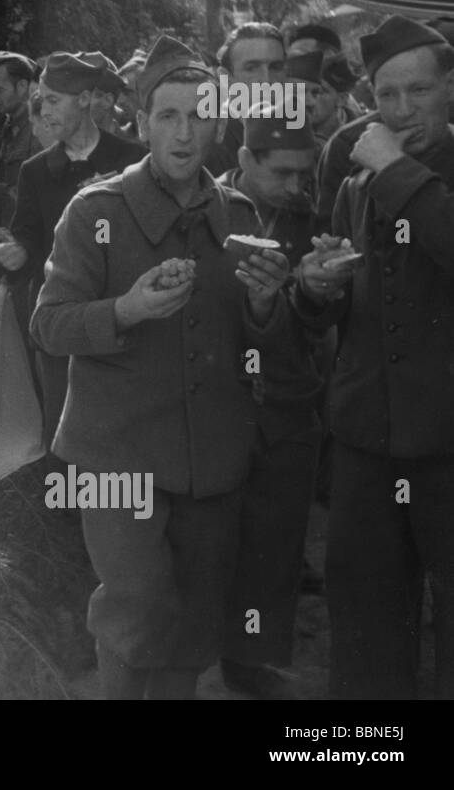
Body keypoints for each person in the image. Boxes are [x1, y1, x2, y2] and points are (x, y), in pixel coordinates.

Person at [31, 34, 293, 700]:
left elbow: (260, 341)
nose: (184, 133)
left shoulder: (238, 217)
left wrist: (269, 303)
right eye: (168, 116)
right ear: (142, 123)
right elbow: (49, 324)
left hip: (212, 460)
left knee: (197, 616)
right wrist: (125, 308)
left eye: (199, 115)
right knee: (135, 609)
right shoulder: (97, 212)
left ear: (219, 124)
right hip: (117, 456)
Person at [291, 16, 454, 699]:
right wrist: (314, 288)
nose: (401, 109)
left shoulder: (386, 167)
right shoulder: (355, 180)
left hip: (448, 444)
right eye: (387, 95)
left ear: (450, 90)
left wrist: (396, 168)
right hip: (365, 443)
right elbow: (341, 306)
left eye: (418, 91)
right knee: (362, 629)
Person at [215, 106, 324, 700]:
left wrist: (318, 286)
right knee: (210, 534)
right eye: (282, 173)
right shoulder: (206, 209)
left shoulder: (313, 216)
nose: (296, 187)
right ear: (244, 161)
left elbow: (324, 317)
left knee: (275, 539)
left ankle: (250, 658)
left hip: (286, 397)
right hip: (217, 397)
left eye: (303, 174)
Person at [0, 52, 144, 450]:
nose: (43, 110)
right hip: (62, 319)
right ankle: (64, 502)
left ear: (83, 99)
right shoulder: (37, 171)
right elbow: (26, 236)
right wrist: (18, 254)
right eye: (40, 99)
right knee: (62, 425)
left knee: (123, 428)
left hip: (121, 313)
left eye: (54, 99)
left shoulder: (132, 160)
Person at [205, 22, 287, 176]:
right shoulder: (210, 143)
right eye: (251, 68)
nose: (266, 80)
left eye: (275, 67)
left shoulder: (296, 133)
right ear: (226, 78)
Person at [0, 51, 43, 230]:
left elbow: (37, 194)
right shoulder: (7, 128)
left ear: (22, 87)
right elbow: (6, 178)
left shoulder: (40, 130)